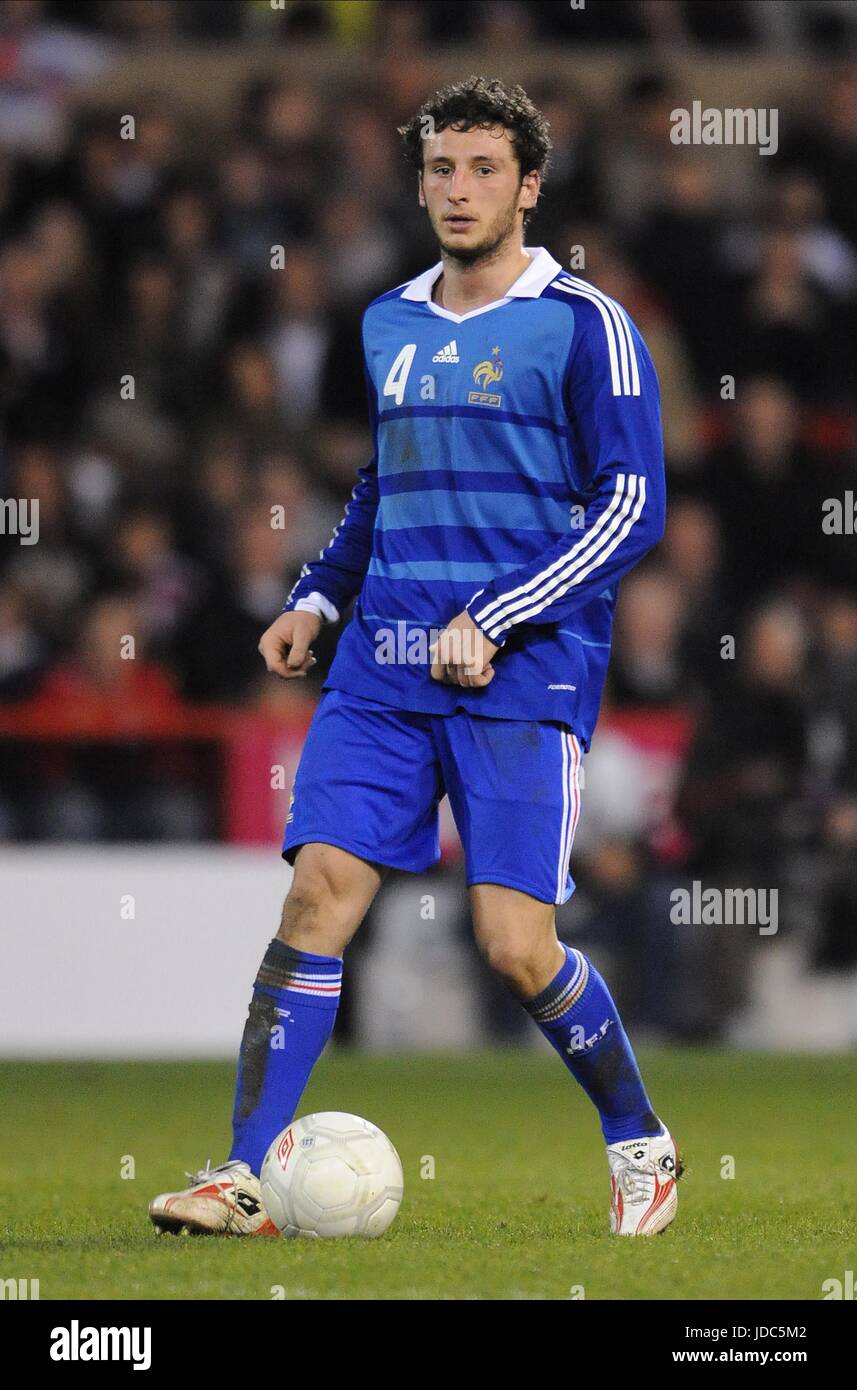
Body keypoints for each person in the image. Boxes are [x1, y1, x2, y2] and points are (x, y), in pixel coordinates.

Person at [149, 76, 681, 1240]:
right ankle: (241, 1176)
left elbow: (630, 503)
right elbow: (381, 486)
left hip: (521, 673)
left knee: (512, 944)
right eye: (440, 167)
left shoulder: (586, 324)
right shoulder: (386, 318)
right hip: (382, 667)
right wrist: (317, 594)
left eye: (484, 168)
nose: (457, 188)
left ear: (528, 186)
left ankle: (640, 1137)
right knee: (316, 894)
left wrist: (496, 615)